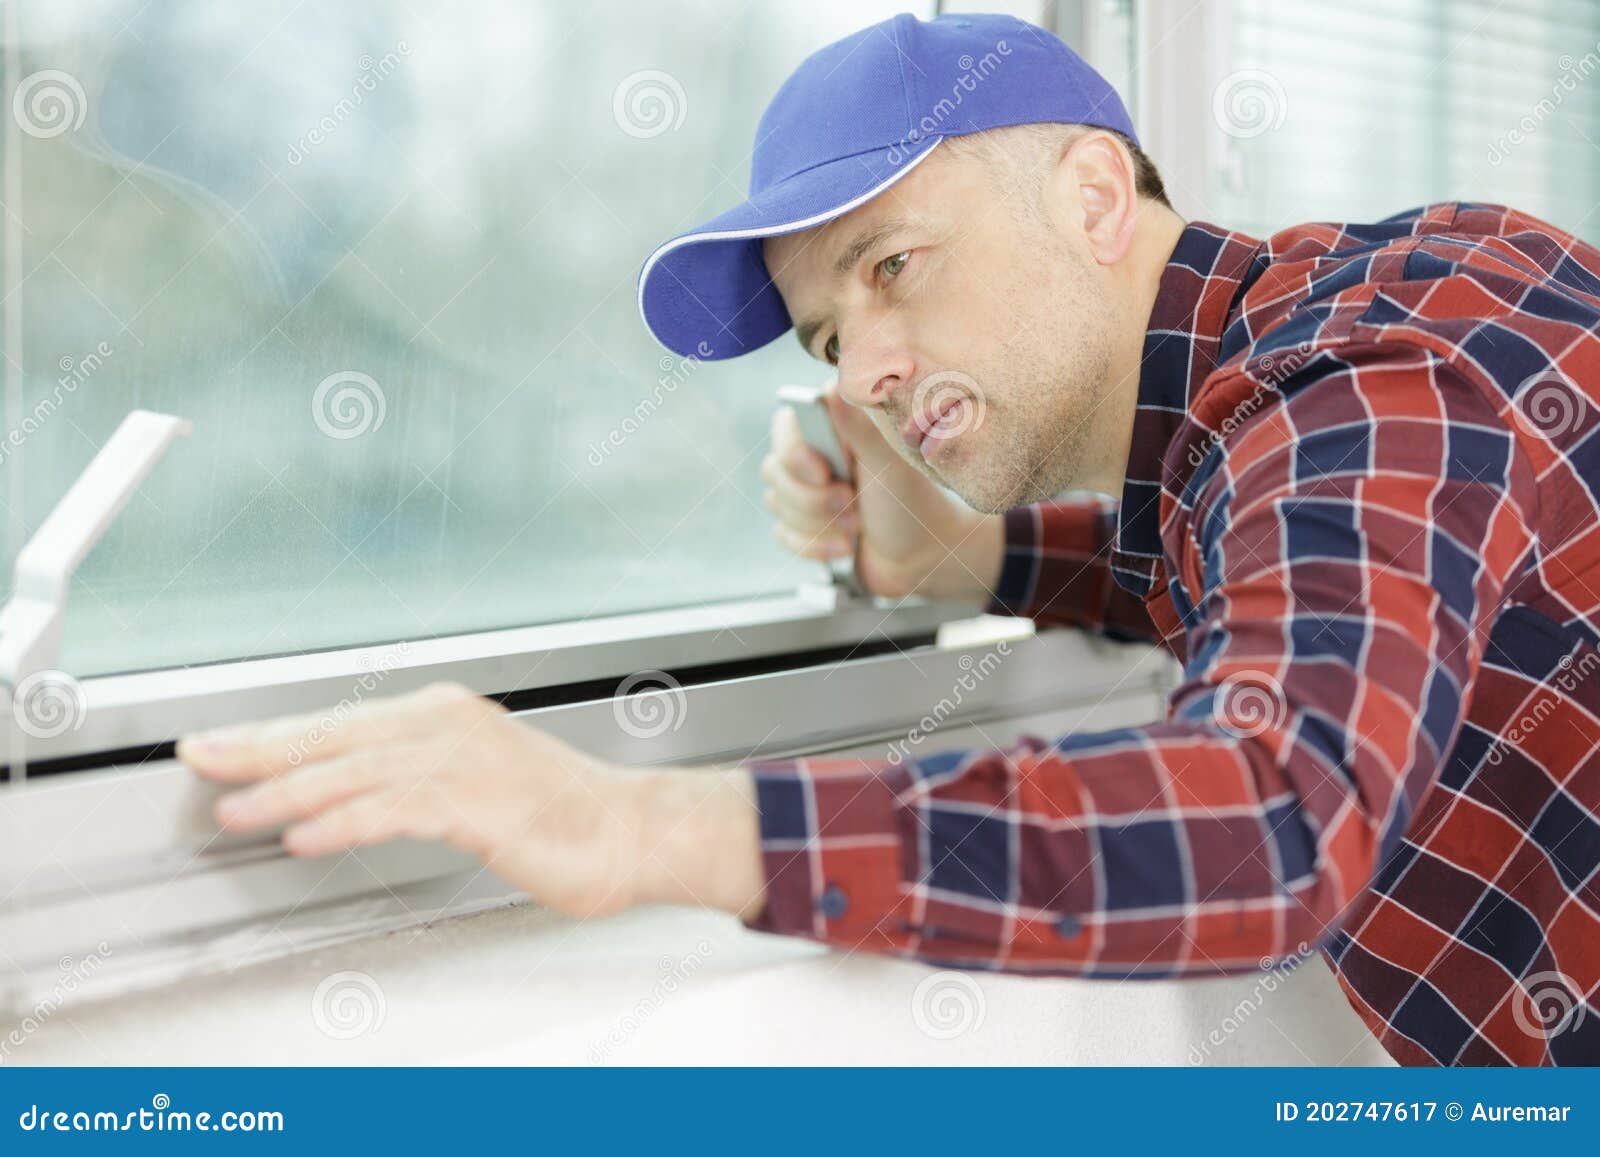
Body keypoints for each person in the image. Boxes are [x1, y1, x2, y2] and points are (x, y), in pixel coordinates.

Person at [179, 13, 1600, 1066]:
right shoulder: (1377, 315)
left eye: (893, 265)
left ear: (1097, 198)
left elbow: (1276, 815)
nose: (862, 371)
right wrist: (963, 561)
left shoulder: (1356, 381)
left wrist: (628, 819)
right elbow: (1298, 565)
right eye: (829, 333)